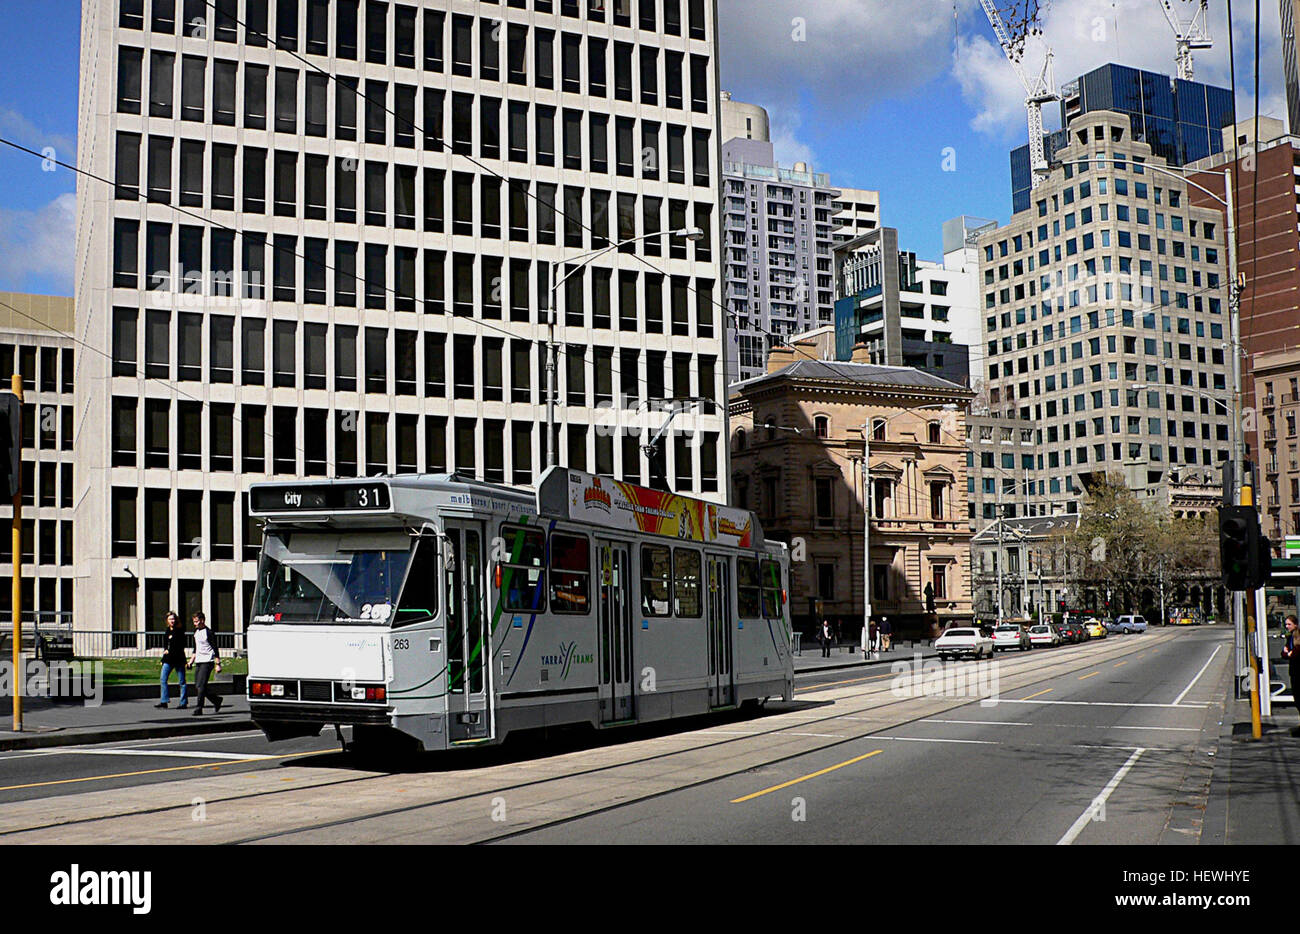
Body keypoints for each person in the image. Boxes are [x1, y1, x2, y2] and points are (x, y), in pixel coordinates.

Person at [188, 612, 224, 716]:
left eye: (197, 621)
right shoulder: (196, 632)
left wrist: (218, 664)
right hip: (199, 661)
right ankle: (216, 700)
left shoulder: (208, 632)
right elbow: (196, 648)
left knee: (201, 686)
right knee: (198, 685)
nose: (195, 624)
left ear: (202, 620)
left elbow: (215, 648)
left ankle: (199, 708)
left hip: (207, 661)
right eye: (194, 622)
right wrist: (191, 661)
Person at [155, 611, 188, 709]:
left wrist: (170, 651)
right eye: (170, 619)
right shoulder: (167, 631)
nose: (172, 621)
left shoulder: (180, 631)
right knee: (163, 679)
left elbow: (180, 646)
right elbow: (166, 645)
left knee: (182, 681)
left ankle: (183, 702)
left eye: (173, 619)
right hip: (168, 660)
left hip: (178, 659)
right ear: (167, 621)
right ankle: (164, 701)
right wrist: (164, 654)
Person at [1283, 615, 1300, 737]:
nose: (1287, 626)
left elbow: (1295, 653)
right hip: (1294, 672)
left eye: (1289, 624)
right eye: (1286, 624)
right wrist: (1288, 653)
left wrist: (1289, 653)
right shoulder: (1289, 637)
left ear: (1295, 624)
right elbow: (1284, 653)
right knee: (1297, 700)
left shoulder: (1298, 636)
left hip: (1298, 672)